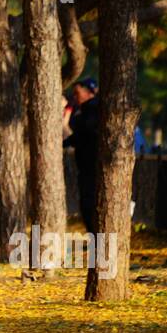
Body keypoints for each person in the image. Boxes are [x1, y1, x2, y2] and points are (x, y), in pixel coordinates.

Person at [63, 79, 100, 232]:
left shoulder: (92, 111)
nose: (75, 97)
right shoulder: (84, 110)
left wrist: (66, 142)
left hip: (91, 166)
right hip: (85, 166)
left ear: (89, 92)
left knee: (88, 205)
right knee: (86, 205)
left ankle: (95, 237)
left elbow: (84, 134)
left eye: (78, 93)